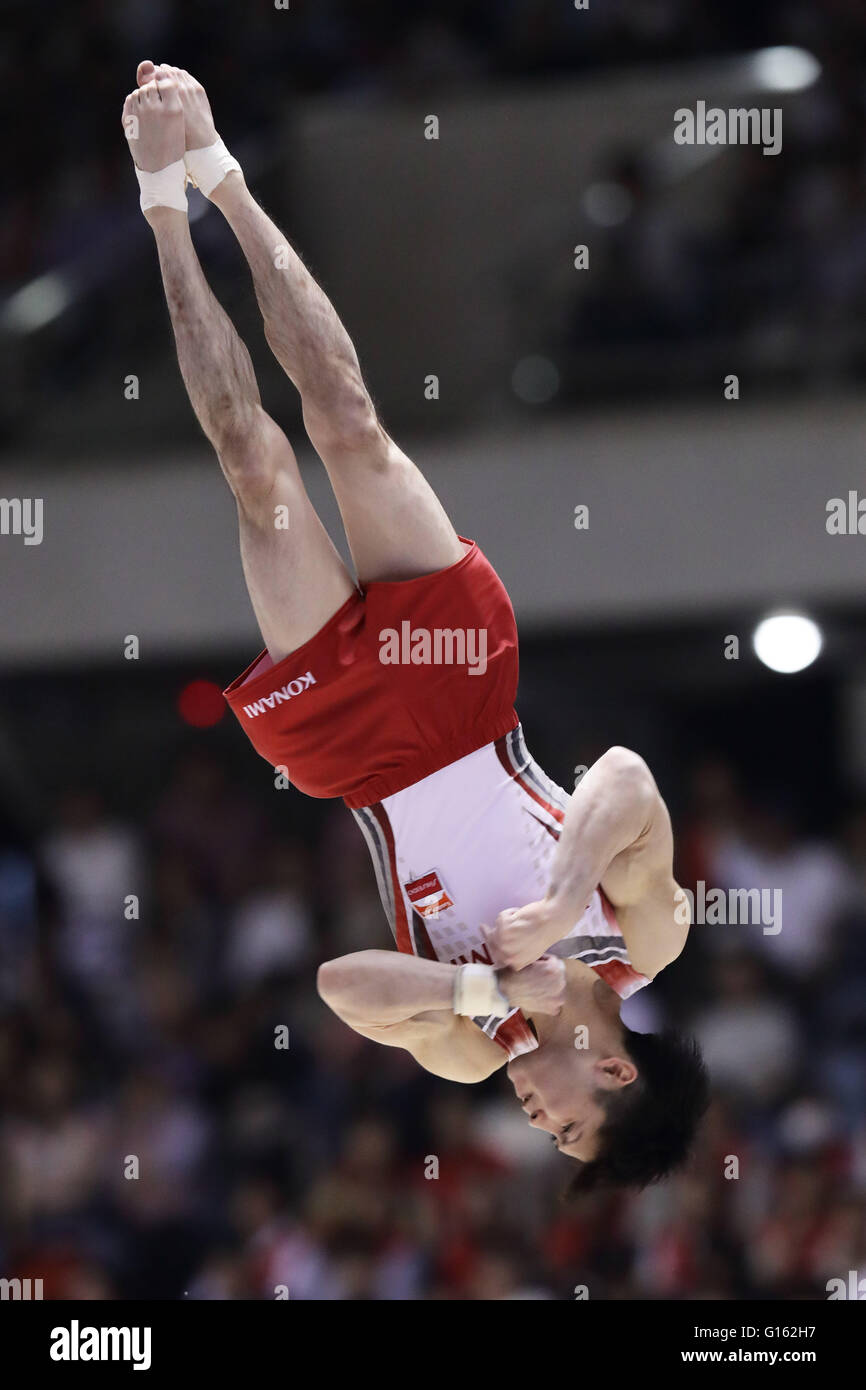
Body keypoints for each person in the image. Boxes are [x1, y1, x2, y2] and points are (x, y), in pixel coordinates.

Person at [123, 62, 708, 1190]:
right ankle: (222, 177)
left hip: (353, 756)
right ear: (618, 1076)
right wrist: (553, 900)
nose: (541, 1125)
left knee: (257, 468)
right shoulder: (647, 941)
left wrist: (480, 987)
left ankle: (159, 204)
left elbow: (343, 985)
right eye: (571, 1130)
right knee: (347, 422)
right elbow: (627, 777)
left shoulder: (465, 1048)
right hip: (465, 693)